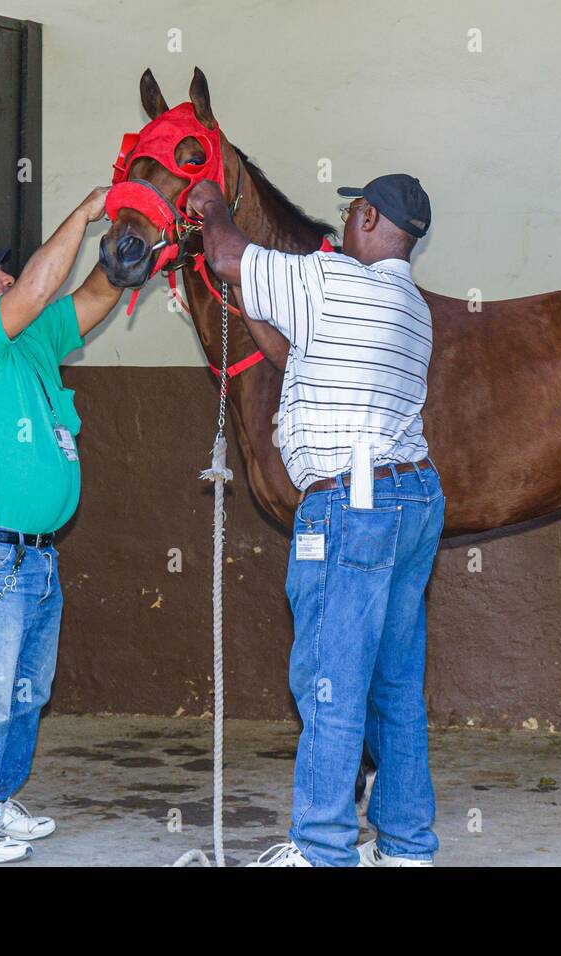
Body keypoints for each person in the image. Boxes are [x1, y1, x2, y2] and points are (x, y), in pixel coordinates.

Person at [188, 173, 444, 867]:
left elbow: (227, 254)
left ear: (364, 216)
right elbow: (294, 352)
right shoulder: (408, 305)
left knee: (329, 678)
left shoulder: (332, 282)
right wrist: (248, 301)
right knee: (394, 682)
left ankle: (325, 849)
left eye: (347, 210)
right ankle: (407, 845)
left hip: (349, 507)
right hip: (412, 499)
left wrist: (211, 204)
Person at [0, 187, 121, 863]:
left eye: (8, 269)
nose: (6, 277)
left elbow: (92, 298)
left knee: (24, 692)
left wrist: (130, 251)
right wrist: (85, 212)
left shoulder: (29, 340)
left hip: (32, 558)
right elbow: (37, 287)